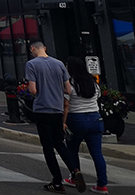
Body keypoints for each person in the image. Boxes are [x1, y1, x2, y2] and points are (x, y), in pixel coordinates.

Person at [26, 41, 80, 193]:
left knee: (48, 147)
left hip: (42, 109)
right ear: (45, 48)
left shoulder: (31, 64)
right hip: (57, 110)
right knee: (59, 143)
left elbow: (33, 90)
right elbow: (68, 89)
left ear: (32, 49)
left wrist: (37, 91)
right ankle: (75, 170)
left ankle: (57, 181)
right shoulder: (59, 64)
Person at [63, 56, 107, 193]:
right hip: (95, 118)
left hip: (76, 118)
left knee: (72, 149)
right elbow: (98, 97)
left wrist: (63, 122)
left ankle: (75, 176)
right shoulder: (93, 83)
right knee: (97, 154)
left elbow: (66, 105)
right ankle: (102, 184)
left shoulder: (69, 84)